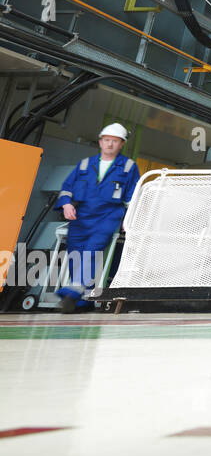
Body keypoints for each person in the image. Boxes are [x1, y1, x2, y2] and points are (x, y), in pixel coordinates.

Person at [55, 122, 140, 313]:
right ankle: (84, 299)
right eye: (107, 140)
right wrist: (66, 204)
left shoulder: (128, 167)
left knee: (91, 252)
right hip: (81, 217)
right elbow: (66, 188)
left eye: (115, 141)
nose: (110, 144)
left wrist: (129, 219)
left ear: (121, 144)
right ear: (101, 142)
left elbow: (133, 198)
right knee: (75, 254)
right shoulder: (85, 164)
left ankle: (74, 289)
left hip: (108, 216)